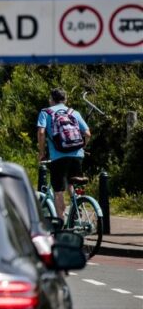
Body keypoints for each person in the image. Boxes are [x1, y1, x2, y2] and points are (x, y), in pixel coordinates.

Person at [37, 88, 90, 219]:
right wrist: (82, 147)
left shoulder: (45, 112)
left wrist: (42, 152)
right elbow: (88, 134)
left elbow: (41, 132)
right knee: (72, 182)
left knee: (58, 191)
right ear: (65, 99)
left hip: (58, 156)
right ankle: (77, 210)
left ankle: (61, 225)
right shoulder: (73, 112)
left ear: (51, 100)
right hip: (78, 155)